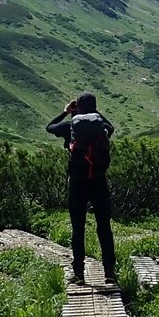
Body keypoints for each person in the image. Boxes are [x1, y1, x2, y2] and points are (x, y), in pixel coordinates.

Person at [46, 91, 116, 287]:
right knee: (104, 227)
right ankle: (109, 272)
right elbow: (111, 127)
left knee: (78, 228)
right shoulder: (102, 127)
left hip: (77, 184)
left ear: (77, 107)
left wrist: (66, 112)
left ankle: (79, 274)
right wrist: (95, 113)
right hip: (99, 183)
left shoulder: (70, 127)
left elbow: (49, 127)